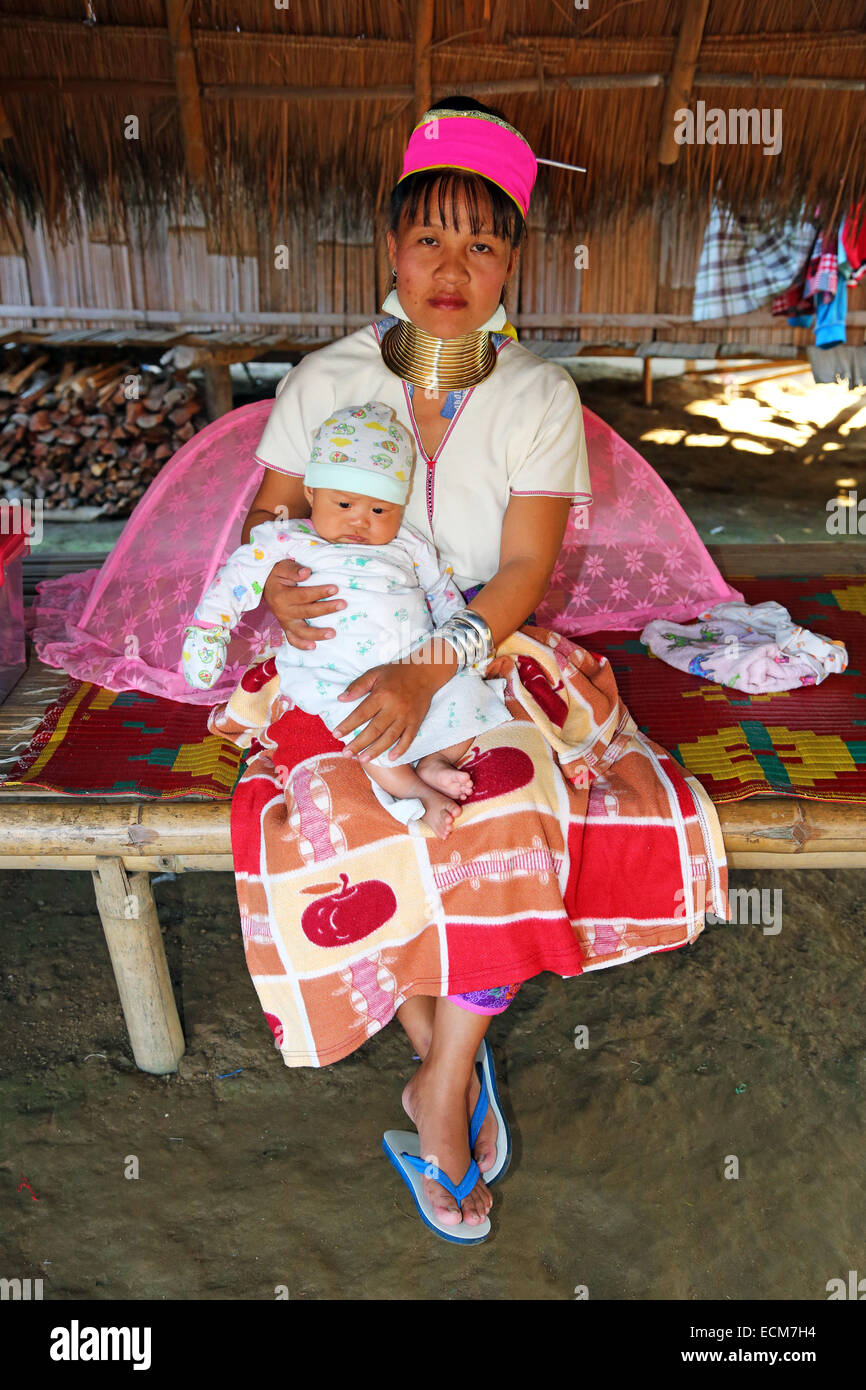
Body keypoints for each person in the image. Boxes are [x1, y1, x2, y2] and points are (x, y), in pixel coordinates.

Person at [203, 96, 729, 1243]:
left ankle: (440, 1087)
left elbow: (522, 572)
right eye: (428, 237)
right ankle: (436, 1044)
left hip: (486, 647)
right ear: (390, 249)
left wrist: (425, 679)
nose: (452, 265)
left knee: (503, 814)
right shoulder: (326, 378)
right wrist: (283, 593)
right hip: (331, 658)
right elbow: (267, 526)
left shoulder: (538, 397)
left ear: (512, 262)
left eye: (481, 242)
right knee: (338, 822)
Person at [181, 401, 512, 837]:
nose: (360, 520)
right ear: (312, 494)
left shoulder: (410, 544)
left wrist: (460, 650)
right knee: (367, 730)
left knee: (470, 695)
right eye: (344, 503)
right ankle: (417, 794)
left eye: (379, 511)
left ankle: (436, 760)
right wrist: (209, 631)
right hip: (336, 671)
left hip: (415, 658)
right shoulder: (287, 538)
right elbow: (237, 577)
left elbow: (439, 591)